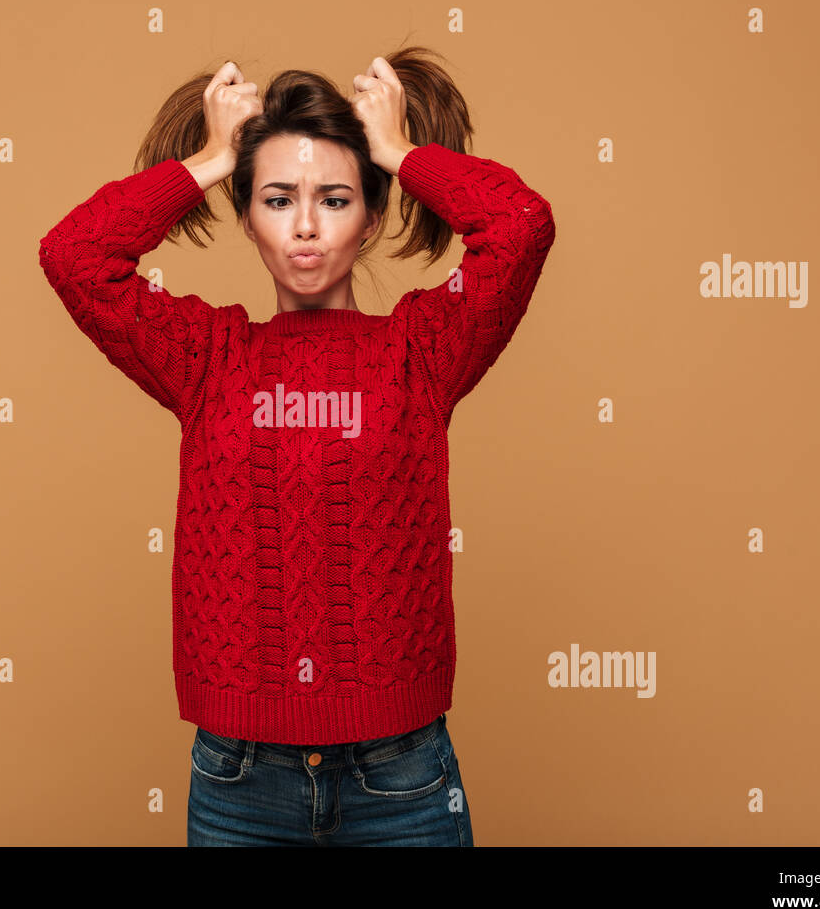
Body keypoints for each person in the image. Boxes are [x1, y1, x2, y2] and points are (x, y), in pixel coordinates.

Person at [38, 46, 557, 846]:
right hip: (241, 780)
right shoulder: (205, 357)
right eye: (278, 198)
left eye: (336, 198)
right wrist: (210, 159)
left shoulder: (425, 351)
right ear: (245, 216)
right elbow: (75, 255)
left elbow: (521, 226)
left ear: (372, 216)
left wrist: (401, 152)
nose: (307, 225)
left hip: (404, 776)